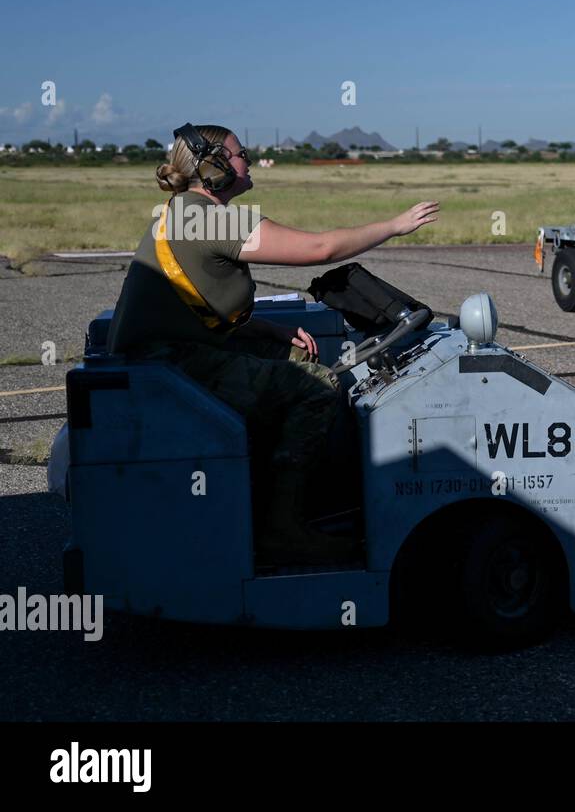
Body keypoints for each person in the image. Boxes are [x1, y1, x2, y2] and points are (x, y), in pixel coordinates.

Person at [107, 123, 440, 565]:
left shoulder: (182, 212)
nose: (249, 159)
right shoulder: (211, 219)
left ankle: (276, 491)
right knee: (317, 388)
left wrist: (263, 328)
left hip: (160, 359)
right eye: (240, 153)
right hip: (169, 368)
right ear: (214, 167)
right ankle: (282, 529)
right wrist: (395, 225)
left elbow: (190, 307)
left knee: (295, 357)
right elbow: (319, 248)